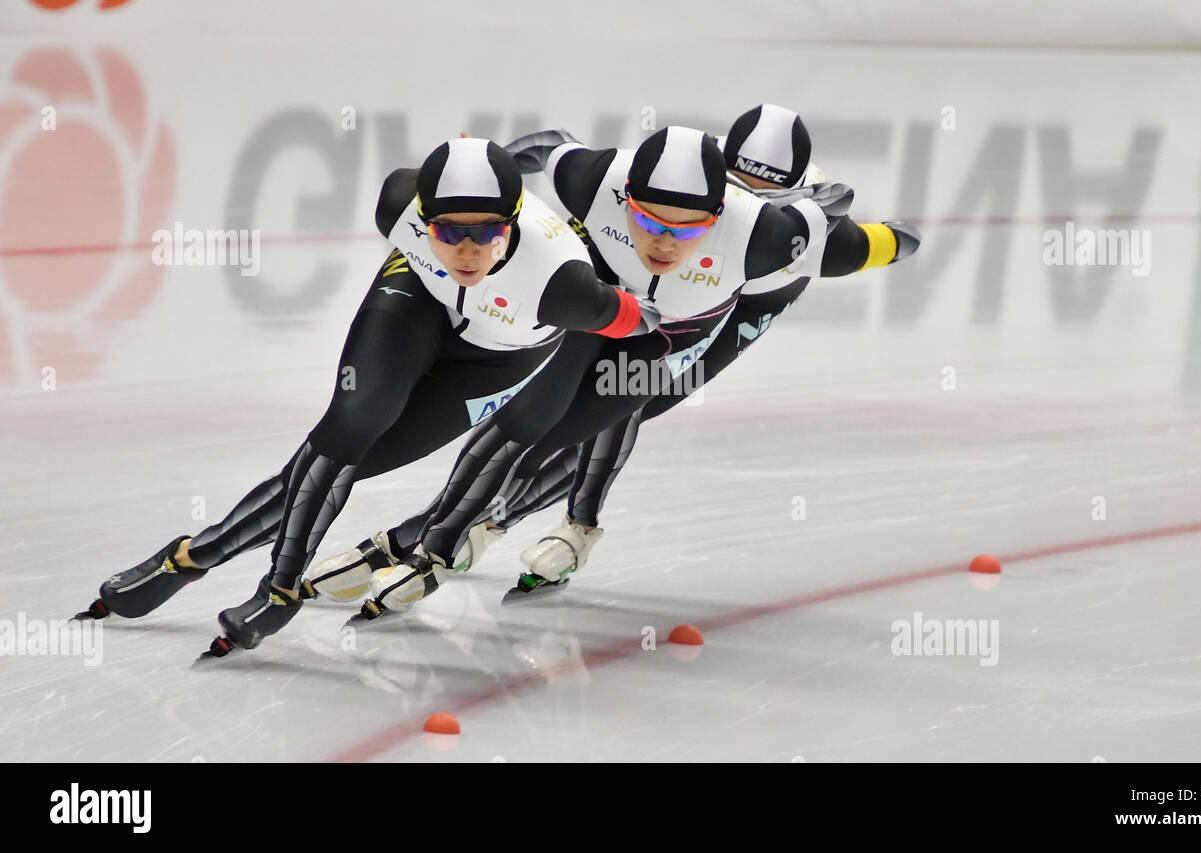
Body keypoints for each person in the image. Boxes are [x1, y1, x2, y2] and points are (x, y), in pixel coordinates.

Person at [73, 138, 658, 656]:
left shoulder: (564, 286)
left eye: (486, 231)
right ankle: (279, 590)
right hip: (416, 302)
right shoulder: (398, 205)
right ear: (423, 220)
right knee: (353, 423)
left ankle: (194, 555)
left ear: (512, 225)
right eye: (449, 231)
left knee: (354, 462)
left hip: (499, 356)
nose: (467, 249)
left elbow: (643, 321)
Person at [309, 105, 919, 601]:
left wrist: (816, 213)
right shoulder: (619, 180)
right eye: (737, 186)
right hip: (611, 286)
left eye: (764, 194)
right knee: (529, 415)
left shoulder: (783, 240)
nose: (745, 201)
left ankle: (560, 524)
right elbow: (548, 148)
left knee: (612, 407)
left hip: (708, 320)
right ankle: (447, 528)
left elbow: (901, 240)